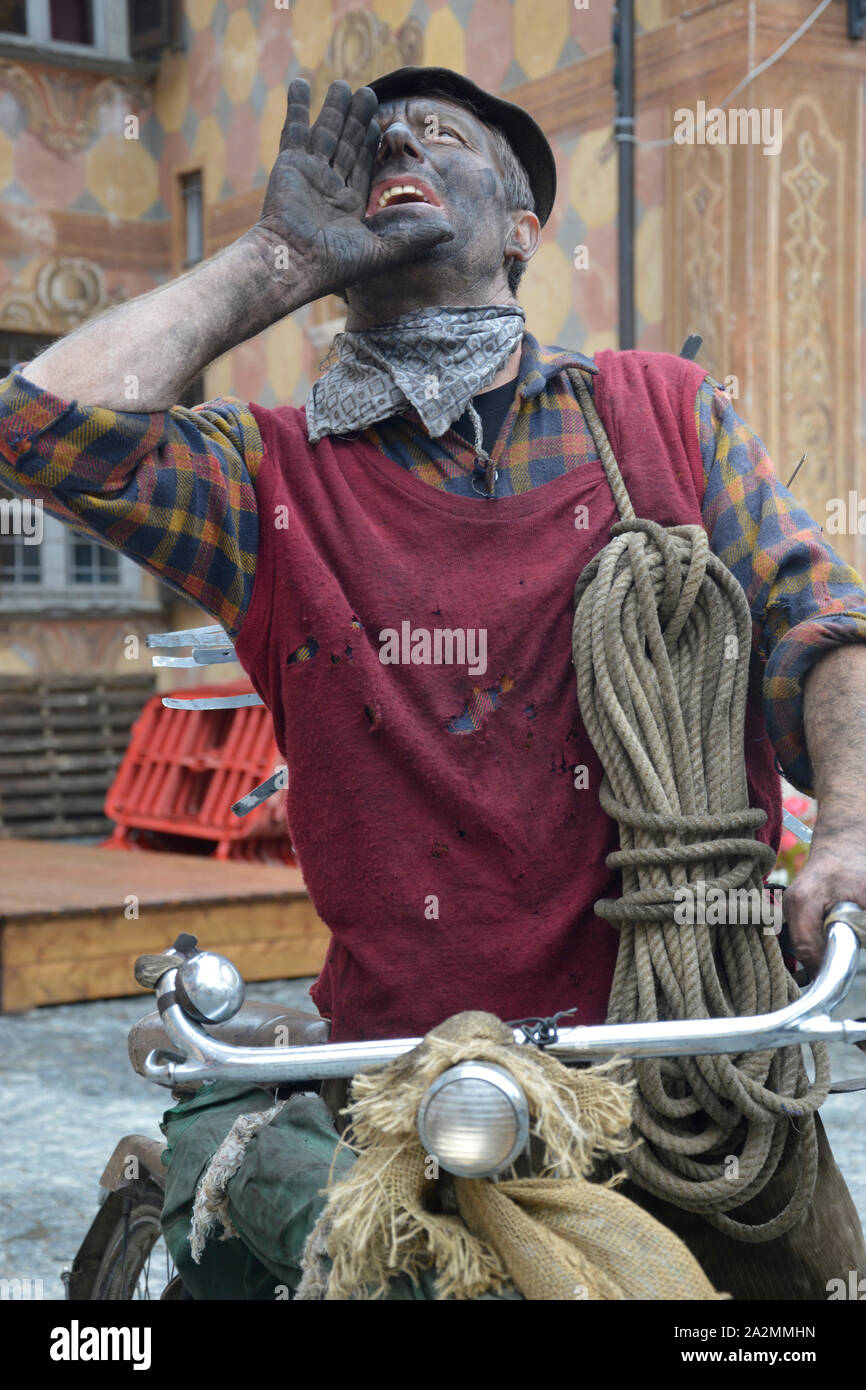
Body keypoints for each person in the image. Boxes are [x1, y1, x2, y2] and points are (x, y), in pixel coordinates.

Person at [2, 66, 865, 1300]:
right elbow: (40, 422)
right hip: (399, 1079)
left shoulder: (659, 416)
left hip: (675, 1070)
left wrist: (848, 823)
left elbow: (820, 618)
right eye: (377, 144)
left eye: (444, 135)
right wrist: (271, 260)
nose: (399, 142)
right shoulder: (269, 479)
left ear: (521, 229)